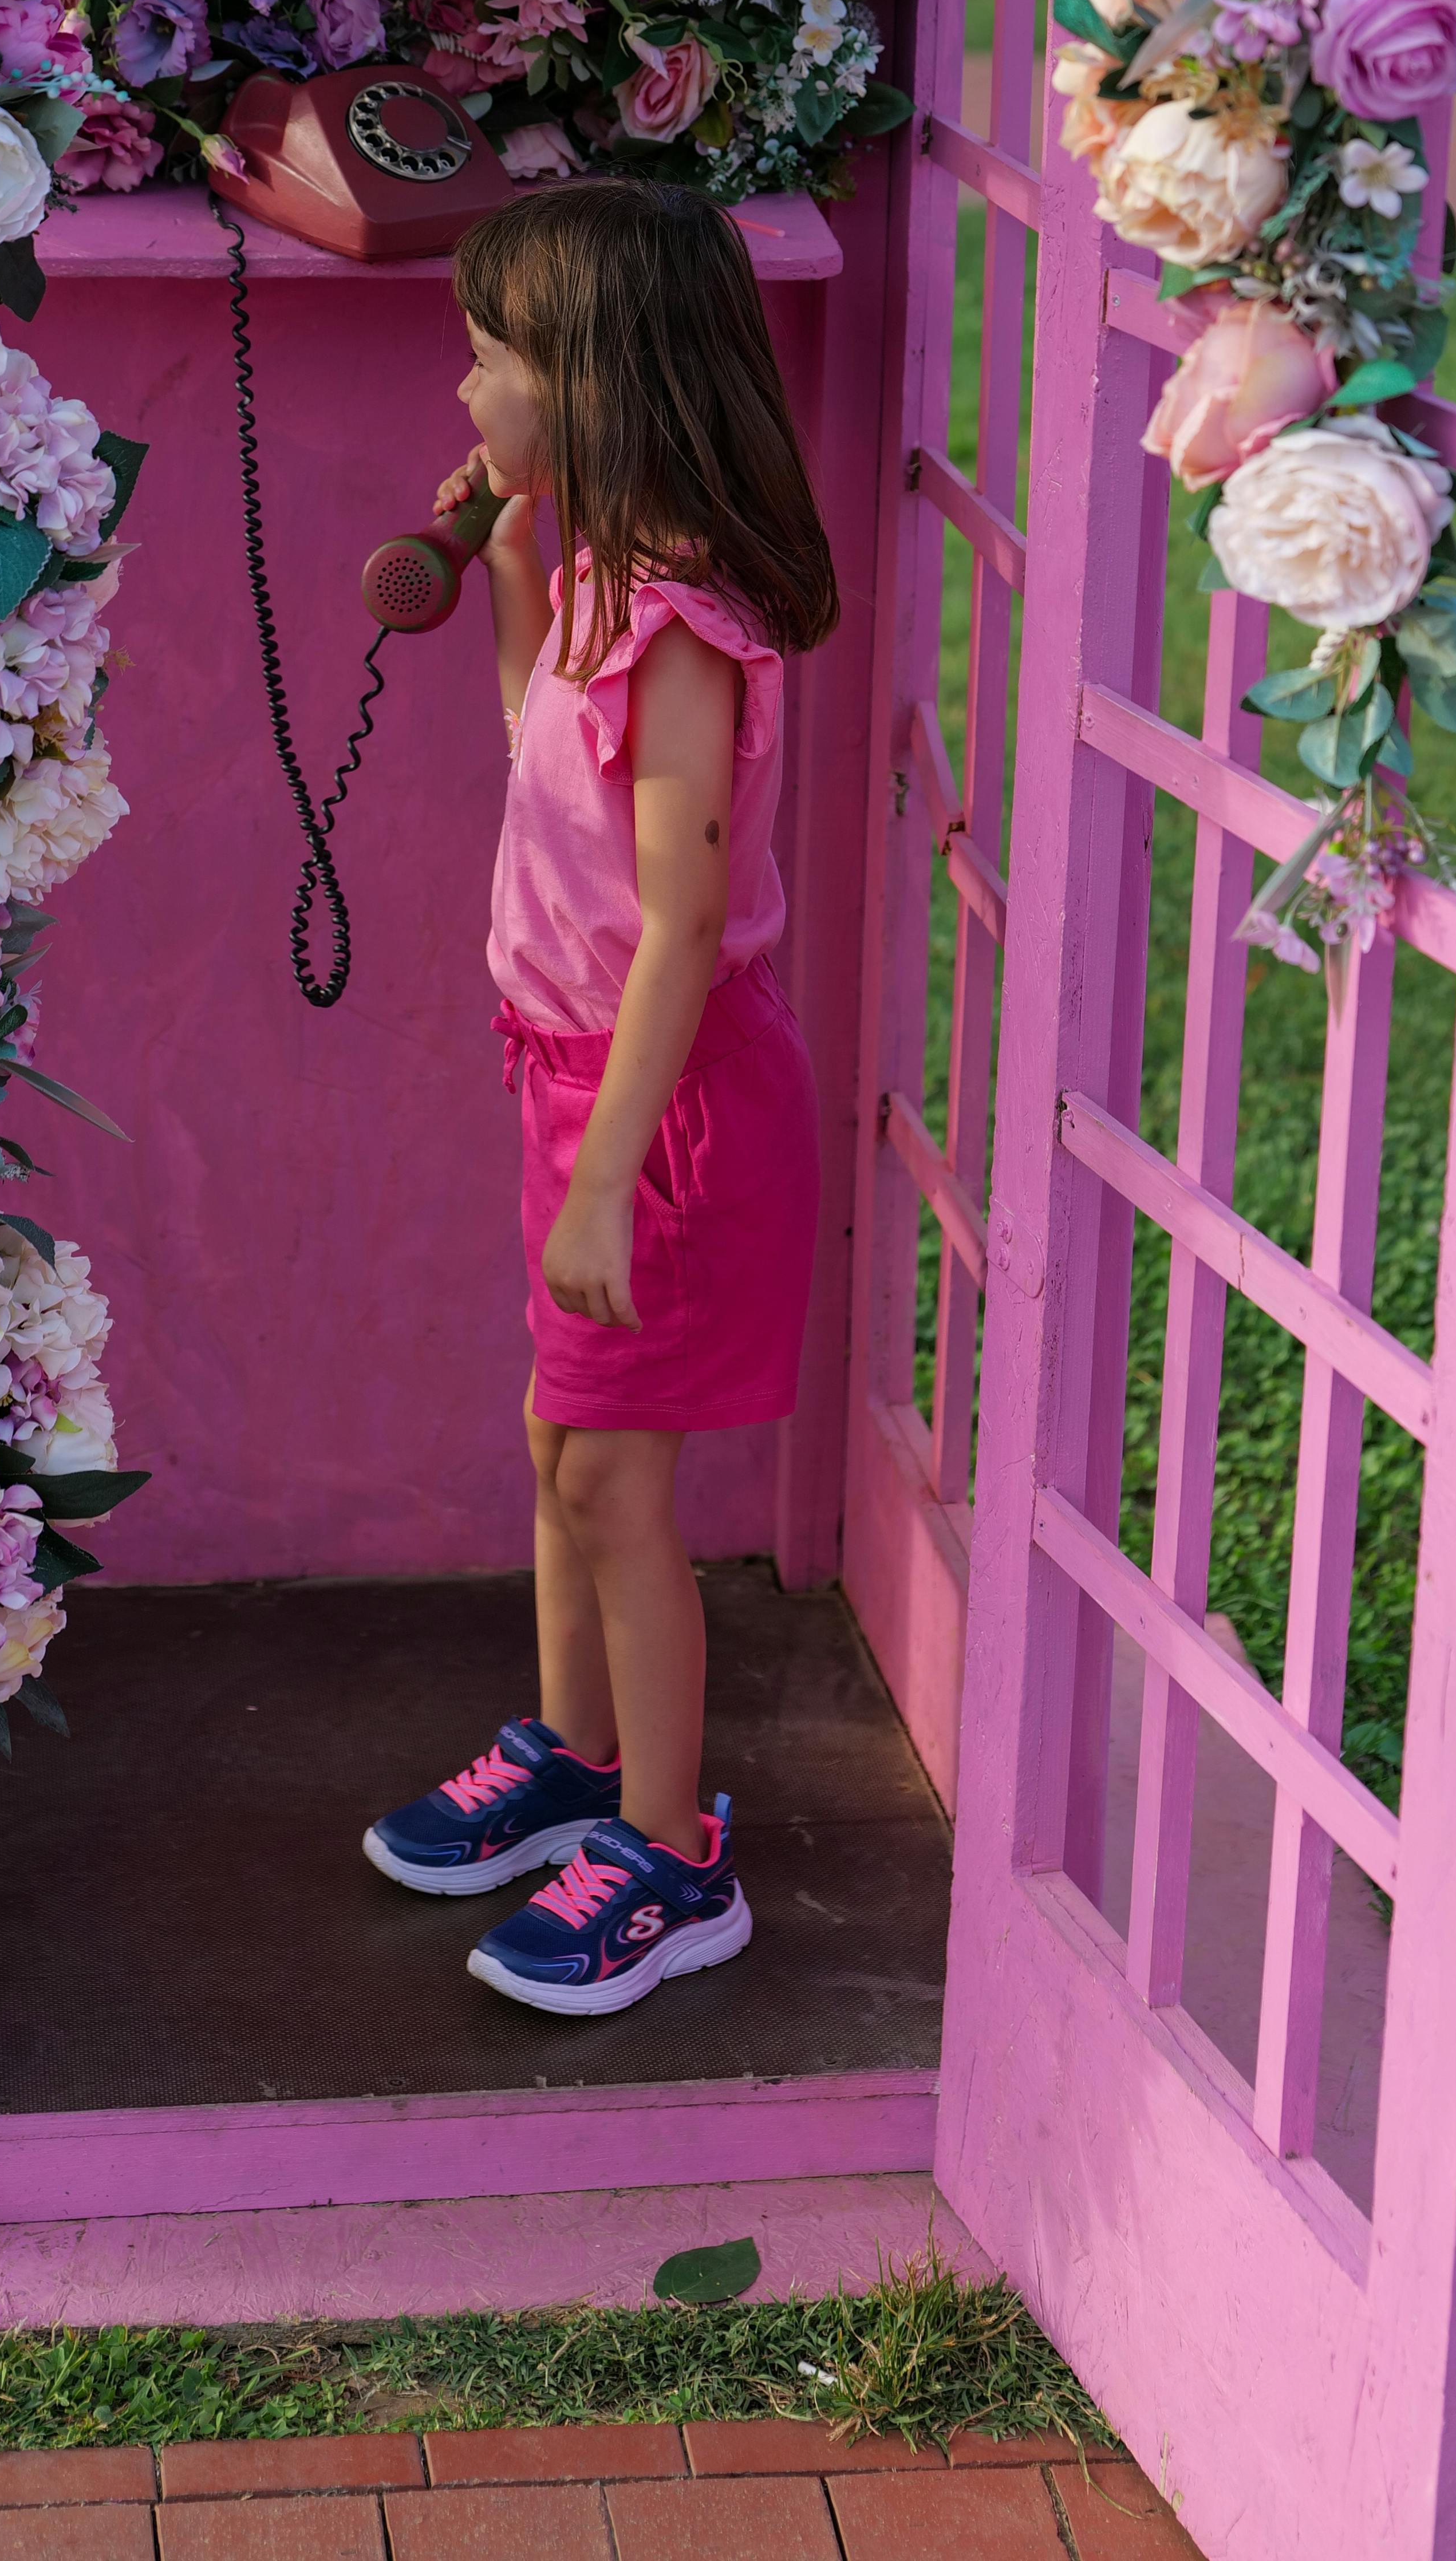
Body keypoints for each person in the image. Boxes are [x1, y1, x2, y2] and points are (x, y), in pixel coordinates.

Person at [360, 177, 836, 2017]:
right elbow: (539, 769)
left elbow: (686, 922)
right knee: (562, 1450)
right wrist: (495, 576)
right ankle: (572, 1760)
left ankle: (672, 1854)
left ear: (595, 383)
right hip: (574, 1084)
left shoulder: (686, 633)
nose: (468, 399)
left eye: (492, 365)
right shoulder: (585, 590)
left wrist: (601, 1179)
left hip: (670, 1112)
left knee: (622, 1484)